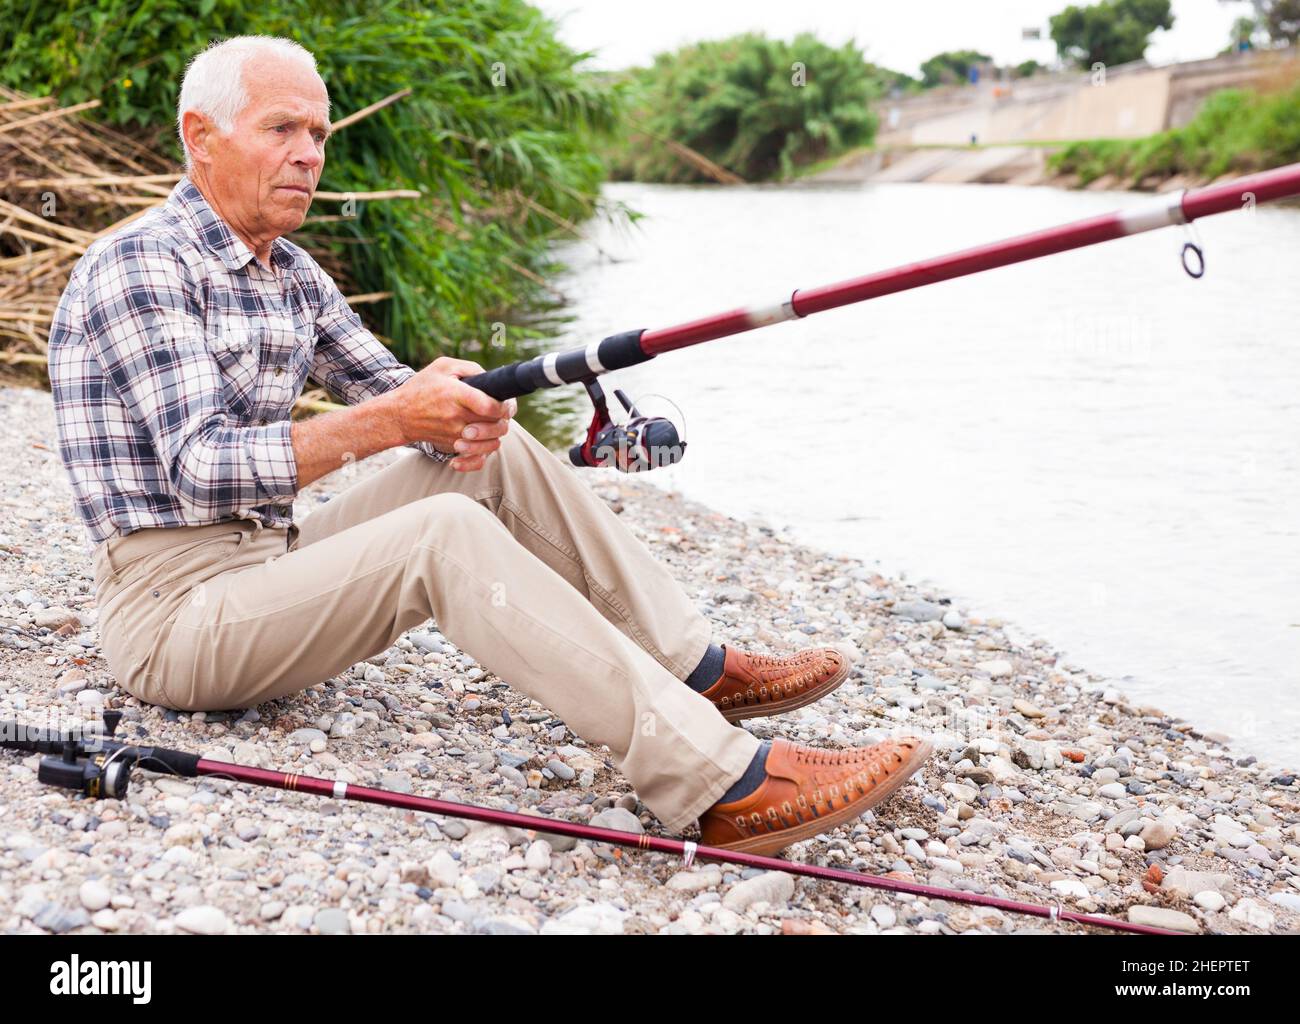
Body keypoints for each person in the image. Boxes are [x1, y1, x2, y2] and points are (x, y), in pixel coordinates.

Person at [47, 36, 931, 856]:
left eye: (317, 132)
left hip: (264, 566)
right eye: (282, 128)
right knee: (442, 536)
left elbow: (390, 393)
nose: (310, 153)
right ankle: (716, 783)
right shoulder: (141, 266)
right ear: (201, 136)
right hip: (173, 618)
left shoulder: (290, 271)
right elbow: (203, 470)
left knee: (486, 461)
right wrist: (395, 421)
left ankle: (696, 671)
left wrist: (456, 405)